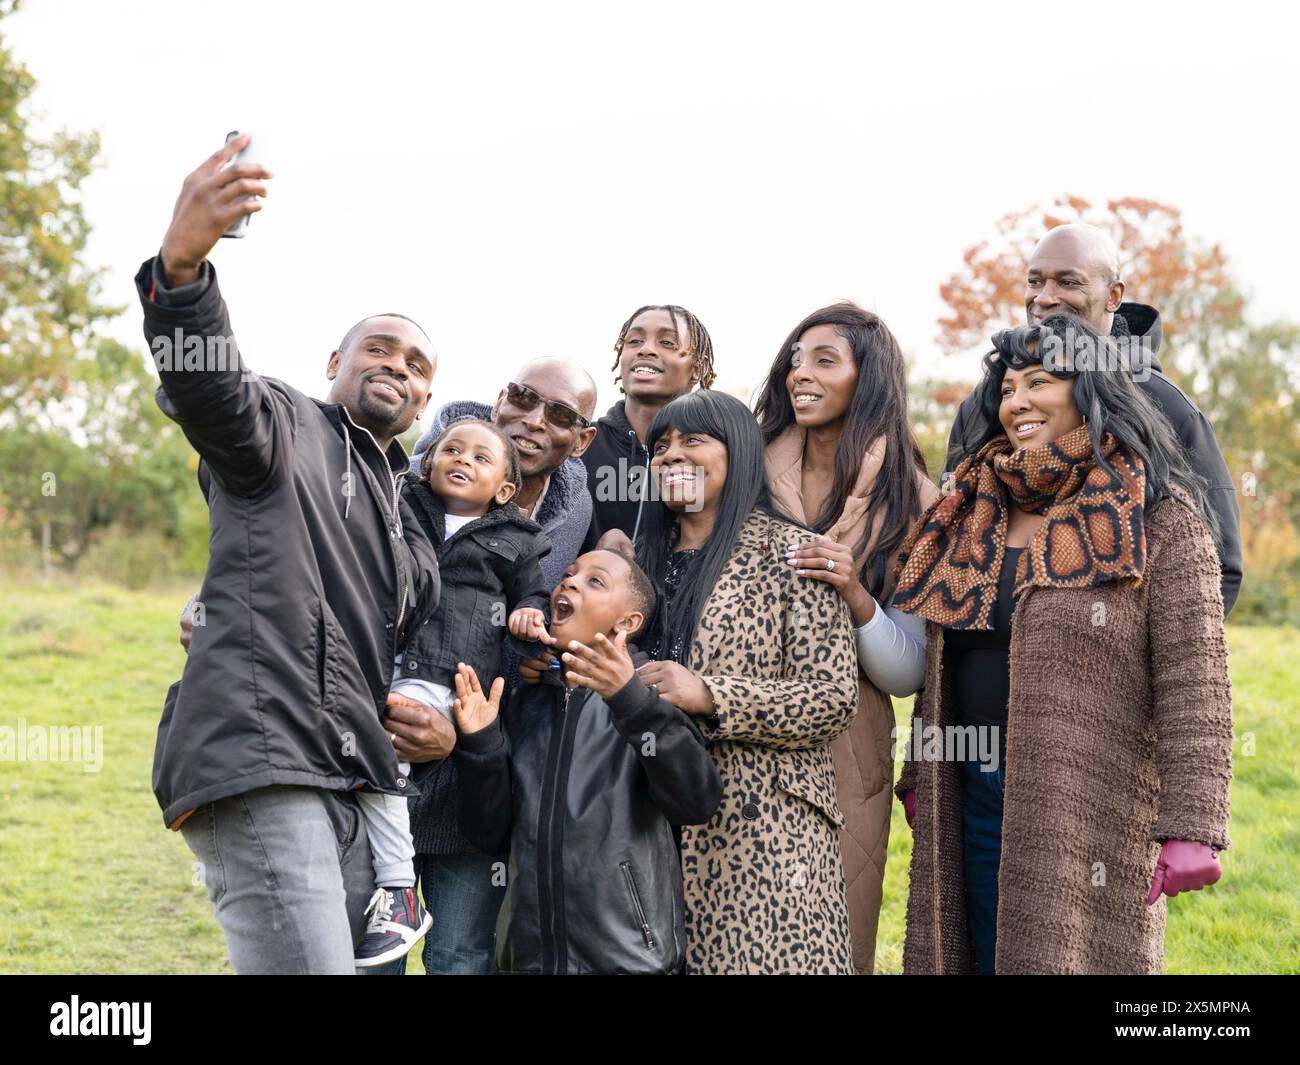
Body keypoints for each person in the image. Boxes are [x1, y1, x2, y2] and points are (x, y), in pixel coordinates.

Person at [142, 137, 442, 974]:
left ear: (425, 398)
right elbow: (210, 388)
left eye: (416, 364)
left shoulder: (404, 513)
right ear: (334, 363)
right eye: (378, 347)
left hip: (351, 774)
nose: (397, 365)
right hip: (262, 754)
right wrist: (183, 269)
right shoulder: (284, 427)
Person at [894, 313, 1233, 974]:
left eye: (1039, 381)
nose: (1016, 400)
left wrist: (1192, 823)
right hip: (969, 787)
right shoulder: (971, 508)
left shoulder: (1157, 517)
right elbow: (946, 657)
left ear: (1091, 387)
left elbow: (1196, 679)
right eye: (1009, 386)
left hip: (1082, 800)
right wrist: (919, 769)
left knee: (1069, 957)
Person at [633, 390, 860, 973]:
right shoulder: (638, 562)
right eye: (661, 446)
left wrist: (708, 693)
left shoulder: (794, 552)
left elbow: (833, 698)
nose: (672, 455)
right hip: (646, 816)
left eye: (693, 440)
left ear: (736, 453)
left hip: (764, 832)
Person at [385, 360, 596, 974]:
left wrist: (537, 657)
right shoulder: (408, 497)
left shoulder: (570, 512)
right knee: (370, 944)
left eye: (558, 414)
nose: (534, 420)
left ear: (583, 440)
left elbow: (555, 607)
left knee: (462, 951)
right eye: (525, 398)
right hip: (388, 727)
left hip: (484, 755)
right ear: (501, 397)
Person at [754, 302, 940, 975]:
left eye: (824, 359)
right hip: (735, 750)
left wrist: (855, 594)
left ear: (869, 377)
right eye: (795, 359)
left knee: (830, 953)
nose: (800, 372)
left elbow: (909, 669)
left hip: (847, 758)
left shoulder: (915, 499)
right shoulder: (741, 471)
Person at [944, 222, 1243, 614]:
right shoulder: (985, 403)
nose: (1045, 298)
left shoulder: (1162, 406)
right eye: (1035, 281)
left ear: (1113, 295)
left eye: (1068, 282)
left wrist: (1120, 647)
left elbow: (1220, 565)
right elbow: (948, 516)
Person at [451, 550, 723, 974]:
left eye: (595, 581)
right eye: (568, 574)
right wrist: (483, 746)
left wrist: (629, 701)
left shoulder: (649, 698)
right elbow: (490, 834)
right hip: (529, 962)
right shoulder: (529, 701)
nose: (570, 583)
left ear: (628, 623)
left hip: (628, 961)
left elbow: (697, 801)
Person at [353, 419, 551, 968]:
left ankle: (399, 885)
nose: (462, 459)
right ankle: (395, 891)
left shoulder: (514, 539)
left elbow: (531, 592)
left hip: (454, 697)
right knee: (373, 954)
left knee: (460, 954)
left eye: (481, 458)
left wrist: (529, 613)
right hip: (387, 674)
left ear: (505, 491)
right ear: (427, 461)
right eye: (451, 449)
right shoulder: (399, 508)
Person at [581, 305, 716, 549]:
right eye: (634, 341)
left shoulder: (715, 456)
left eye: (666, 342)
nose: (646, 349)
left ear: (699, 367)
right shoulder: (581, 444)